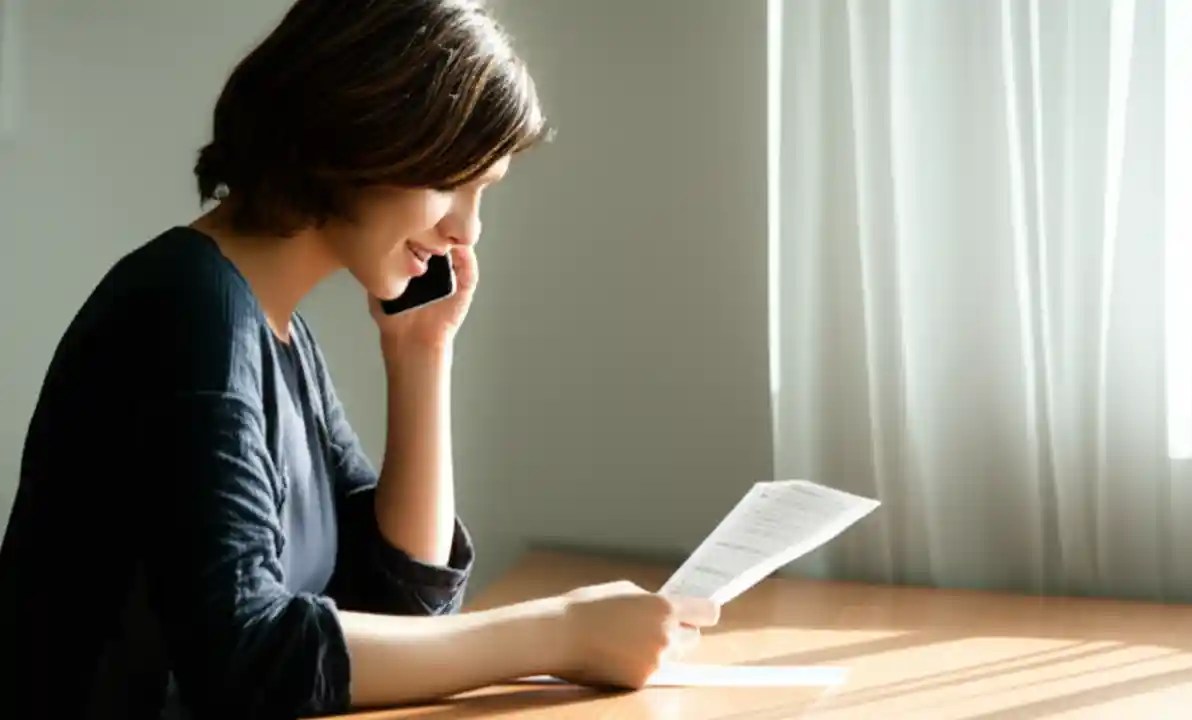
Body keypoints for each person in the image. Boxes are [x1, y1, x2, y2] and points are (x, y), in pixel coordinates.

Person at [0, 1, 719, 717]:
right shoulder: (189, 313)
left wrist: (421, 355)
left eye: (482, 193)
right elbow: (246, 656)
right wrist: (555, 634)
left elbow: (394, 604)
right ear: (364, 133)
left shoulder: (270, 329)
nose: (465, 230)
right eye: (450, 183)